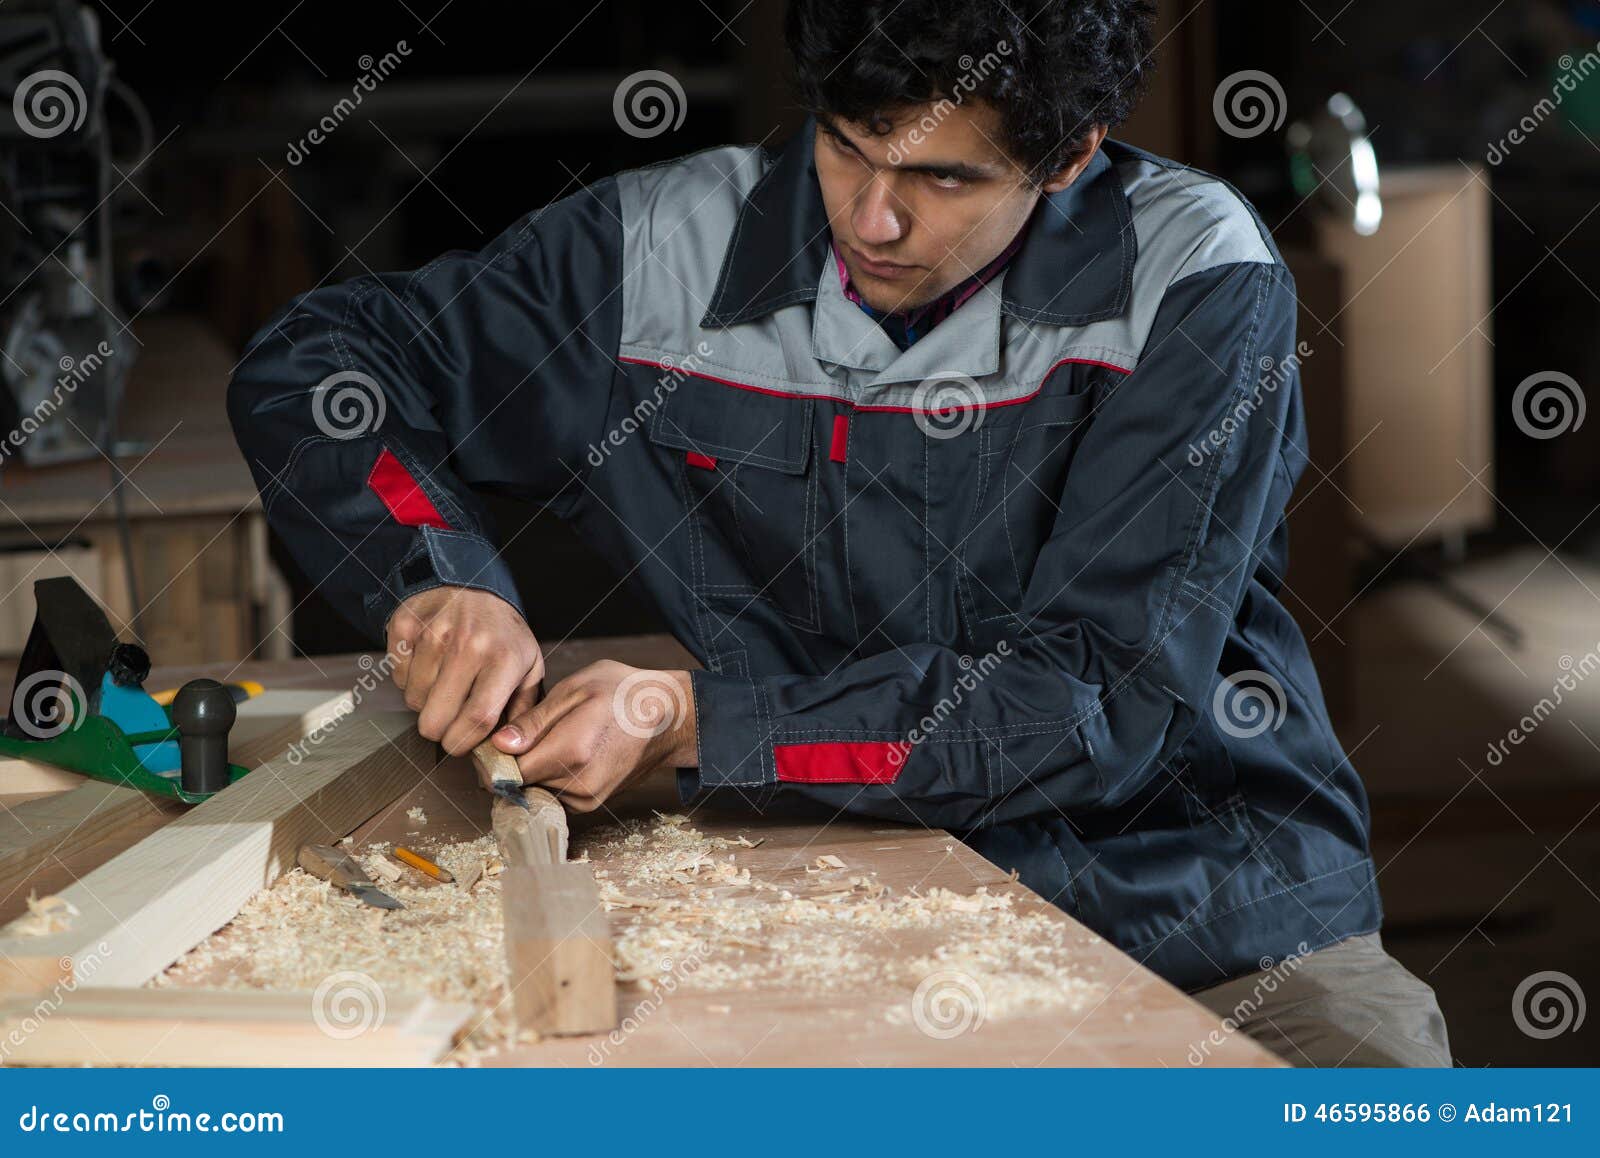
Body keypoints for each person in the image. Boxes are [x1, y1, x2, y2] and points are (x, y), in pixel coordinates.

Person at [229, 0, 1450, 1066]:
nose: (871, 221)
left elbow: (1090, 707)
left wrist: (697, 723)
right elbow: (323, 366)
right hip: (820, 893)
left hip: (1195, 905)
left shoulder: (1194, 280)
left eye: (944, 179)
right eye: (846, 148)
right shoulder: (662, 249)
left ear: (1070, 154)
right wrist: (440, 577)